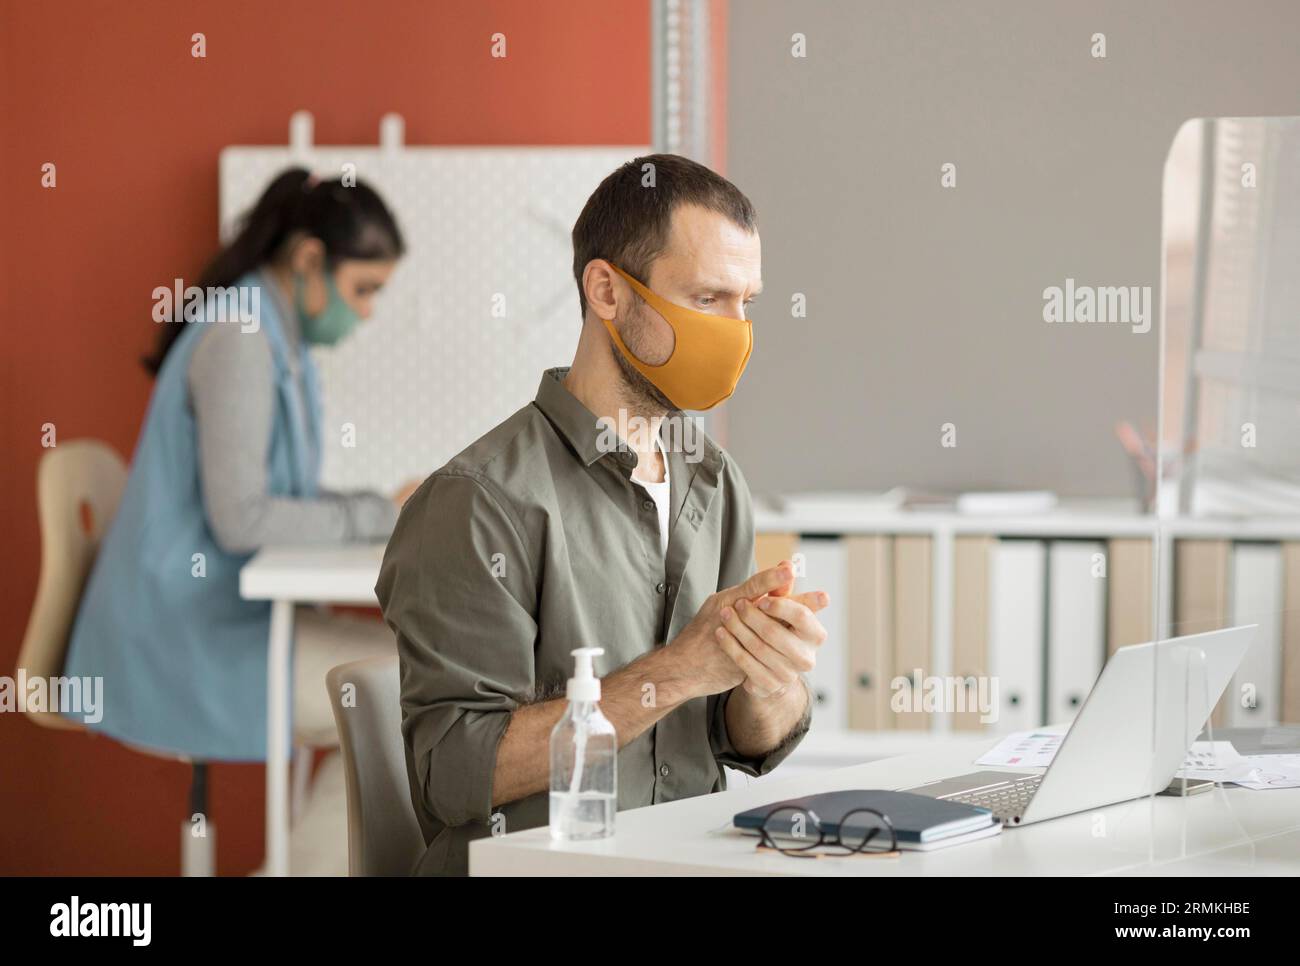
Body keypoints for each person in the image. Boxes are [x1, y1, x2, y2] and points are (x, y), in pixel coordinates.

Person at [377, 153, 829, 876]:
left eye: (748, 302)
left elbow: (740, 740)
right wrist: (678, 671)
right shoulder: (478, 501)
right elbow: (454, 775)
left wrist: (767, 680)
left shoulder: (716, 484)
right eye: (709, 298)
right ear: (607, 291)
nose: (736, 330)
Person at [63, 168, 418, 871]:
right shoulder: (240, 336)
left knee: (415, 676)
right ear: (310, 260)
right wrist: (379, 513)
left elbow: (282, 497)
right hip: (184, 633)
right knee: (412, 698)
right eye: (364, 290)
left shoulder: (279, 335)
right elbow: (244, 520)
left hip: (223, 617)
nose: (368, 313)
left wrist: (380, 510)